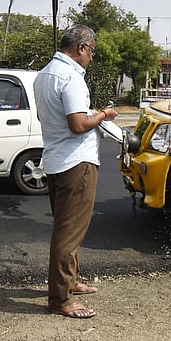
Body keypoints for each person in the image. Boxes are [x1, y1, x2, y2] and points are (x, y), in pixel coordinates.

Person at [33, 25, 118, 319]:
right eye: (91, 51)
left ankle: (70, 283)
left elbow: (51, 116)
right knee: (68, 234)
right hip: (76, 162)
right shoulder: (70, 77)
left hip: (56, 160)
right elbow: (78, 124)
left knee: (68, 227)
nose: (91, 57)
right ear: (81, 48)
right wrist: (104, 115)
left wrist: (89, 114)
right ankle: (60, 300)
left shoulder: (44, 74)